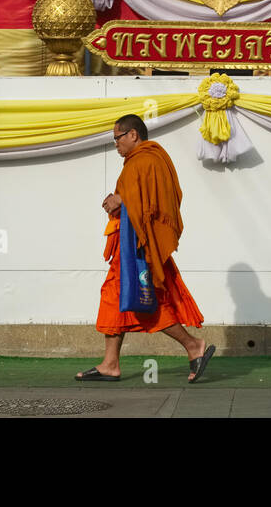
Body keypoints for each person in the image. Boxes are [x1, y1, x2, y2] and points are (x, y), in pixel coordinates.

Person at [76, 114, 216, 383]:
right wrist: (119, 202)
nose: (115, 144)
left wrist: (123, 200)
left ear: (133, 135)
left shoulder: (148, 159)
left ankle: (192, 345)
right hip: (130, 243)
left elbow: (154, 203)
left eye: (117, 138)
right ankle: (110, 363)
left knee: (145, 301)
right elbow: (141, 199)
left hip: (141, 246)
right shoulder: (139, 161)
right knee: (117, 299)